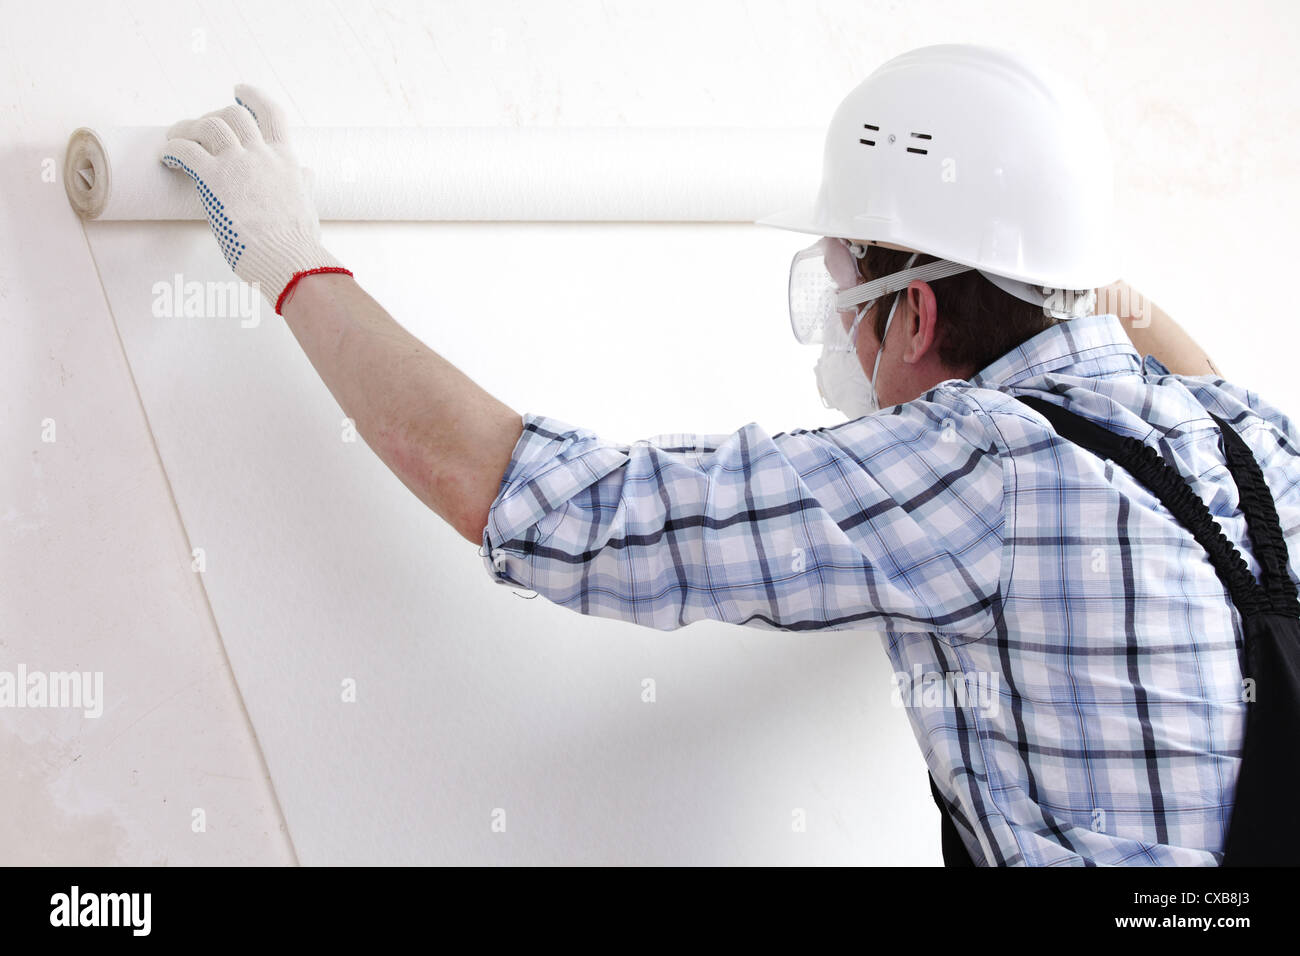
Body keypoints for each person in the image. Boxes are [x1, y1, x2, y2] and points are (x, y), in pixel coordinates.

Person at [159, 44, 1299, 866]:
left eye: (844, 289)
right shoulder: (1251, 435)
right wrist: (1030, 232)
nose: (838, 331)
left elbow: (546, 502)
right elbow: (1131, 330)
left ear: (914, 319)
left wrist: (288, 258)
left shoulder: (974, 466)